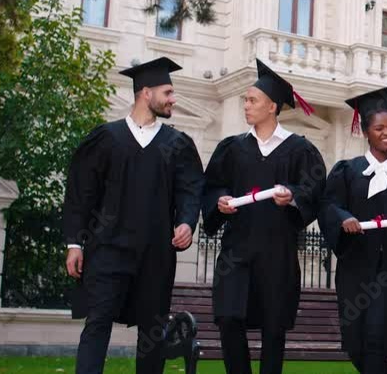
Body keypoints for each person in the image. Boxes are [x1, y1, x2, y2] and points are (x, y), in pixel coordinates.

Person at [63, 56, 204, 374]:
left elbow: (190, 189)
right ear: (146, 93)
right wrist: (74, 243)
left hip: (155, 253)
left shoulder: (177, 144)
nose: (173, 99)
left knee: (152, 332)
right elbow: (81, 193)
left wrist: (186, 221)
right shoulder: (106, 138)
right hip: (108, 250)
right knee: (97, 323)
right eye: (167, 93)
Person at [201, 59, 326, 374]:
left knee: (273, 328)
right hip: (236, 252)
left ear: (272, 107)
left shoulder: (299, 150)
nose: (246, 105)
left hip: (277, 254)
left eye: (252, 100)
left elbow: (313, 190)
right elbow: (212, 185)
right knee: (229, 318)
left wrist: (292, 196)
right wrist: (219, 201)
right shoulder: (232, 148)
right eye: (245, 100)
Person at [320, 87, 387, 373]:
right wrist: (344, 218)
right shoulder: (348, 170)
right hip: (355, 270)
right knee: (358, 344)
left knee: (379, 338)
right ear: (366, 131)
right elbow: (329, 205)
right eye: (379, 128)